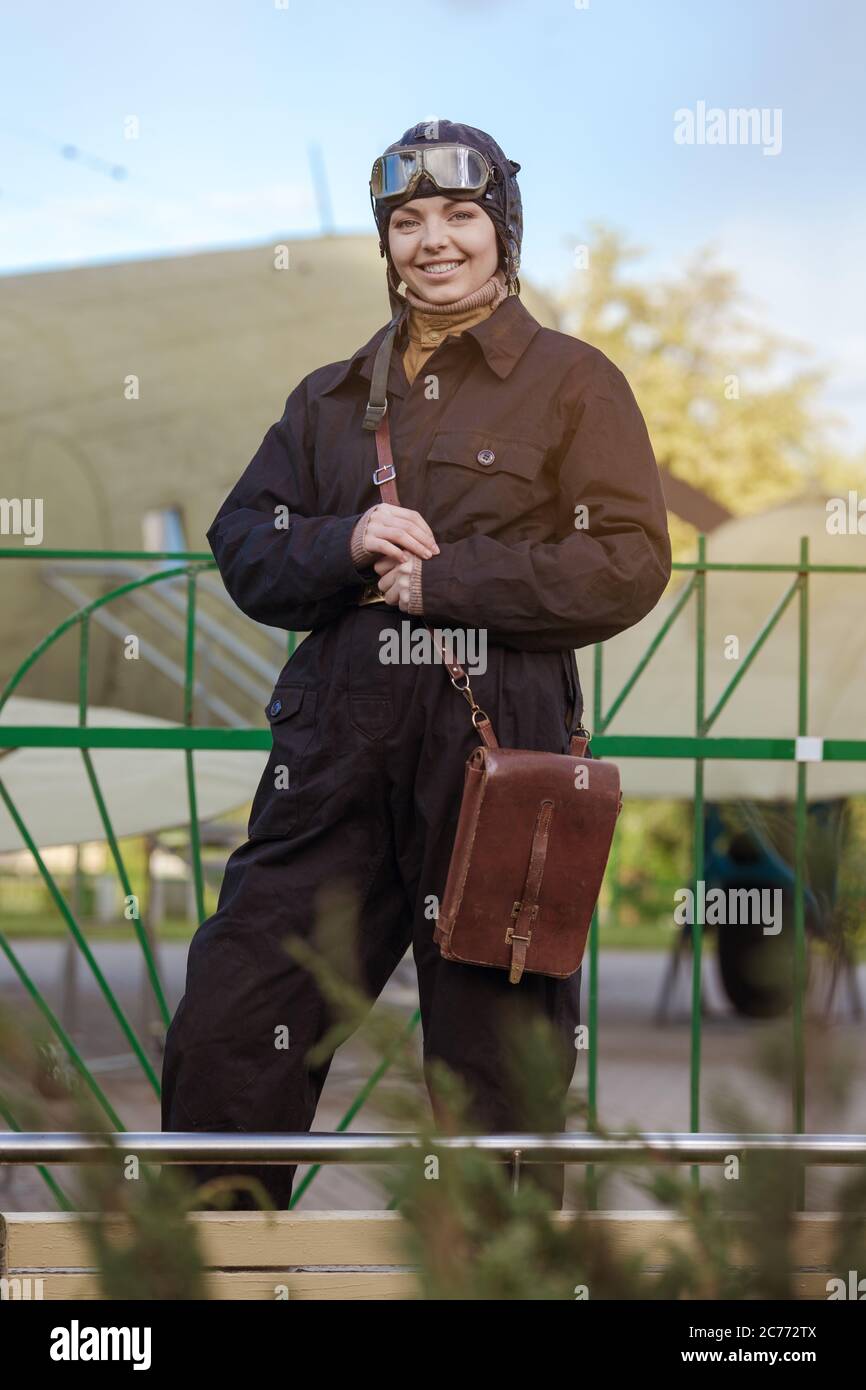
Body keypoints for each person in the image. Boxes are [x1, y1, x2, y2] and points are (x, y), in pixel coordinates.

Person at [160, 119, 672, 1210]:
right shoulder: (330, 398)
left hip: (494, 756)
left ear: (501, 233)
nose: (431, 240)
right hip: (331, 758)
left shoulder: (573, 384)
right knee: (235, 1016)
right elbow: (242, 543)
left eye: (457, 216)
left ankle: (501, 1281)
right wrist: (341, 540)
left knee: (498, 1059)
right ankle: (207, 1267)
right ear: (386, 242)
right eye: (406, 222)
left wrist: (454, 581)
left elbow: (627, 563)